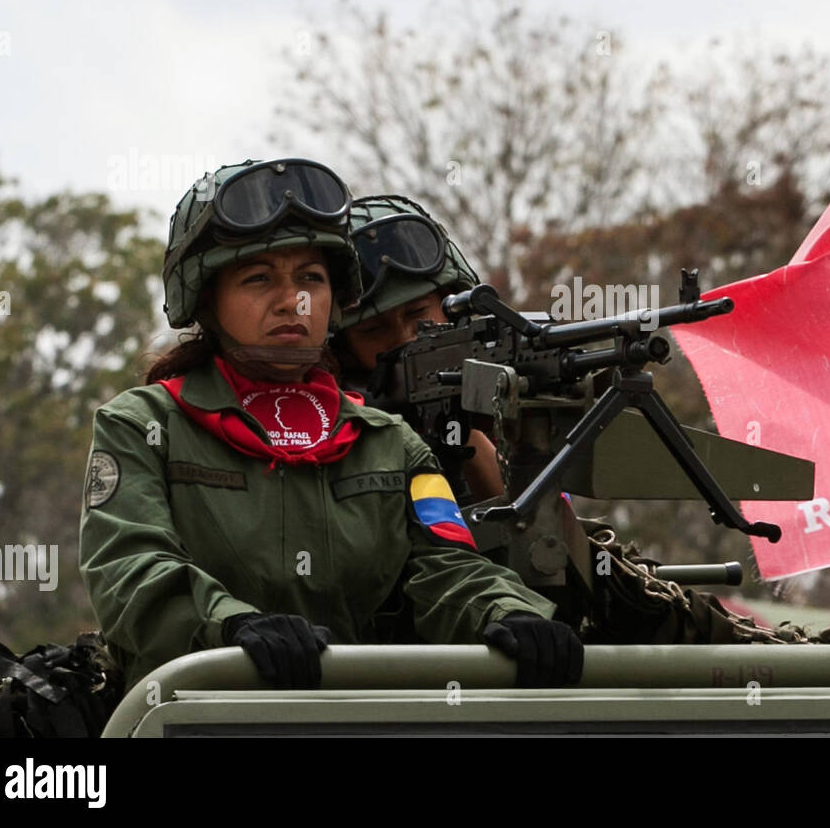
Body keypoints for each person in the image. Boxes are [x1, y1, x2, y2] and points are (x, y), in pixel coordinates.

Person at [79, 158, 582, 692]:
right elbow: (128, 568)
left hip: (354, 722)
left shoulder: (391, 443)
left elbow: (447, 568)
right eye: (258, 278)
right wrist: (231, 625)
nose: (291, 300)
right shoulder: (142, 426)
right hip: (200, 718)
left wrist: (508, 612)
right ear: (208, 301)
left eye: (310, 279)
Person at [333, 194, 505, 502]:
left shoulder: (488, 399)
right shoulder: (331, 427)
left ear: (452, 306)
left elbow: (534, 525)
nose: (404, 337)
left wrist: (460, 426)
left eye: (417, 313)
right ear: (343, 350)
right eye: (373, 329)